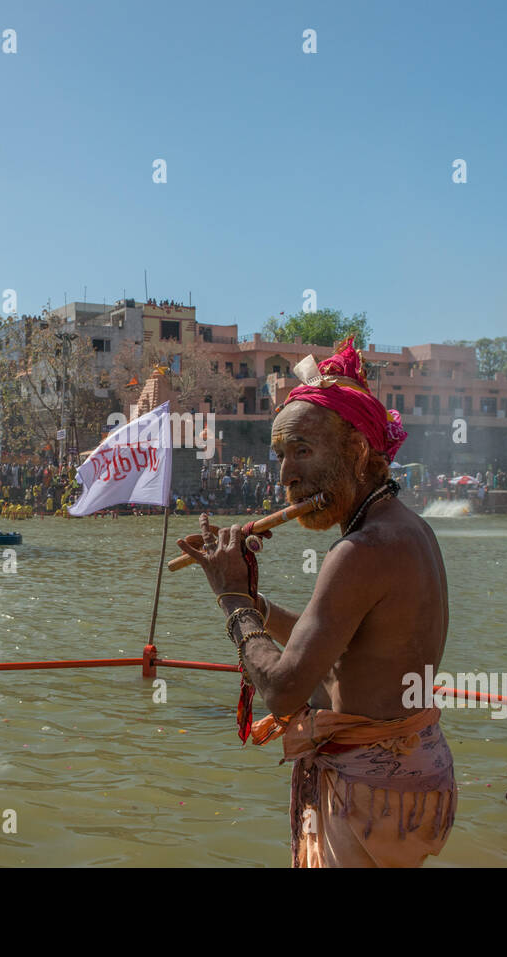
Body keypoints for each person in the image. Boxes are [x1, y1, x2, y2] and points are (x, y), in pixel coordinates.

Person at [176, 338, 455, 868]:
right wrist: (253, 599)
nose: (284, 477)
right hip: (412, 780)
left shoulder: (361, 550)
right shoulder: (407, 529)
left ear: (356, 451)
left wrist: (231, 601)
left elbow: (282, 691)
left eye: (302, 451)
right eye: (280, 456)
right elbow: (334, 640)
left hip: (370, 798)